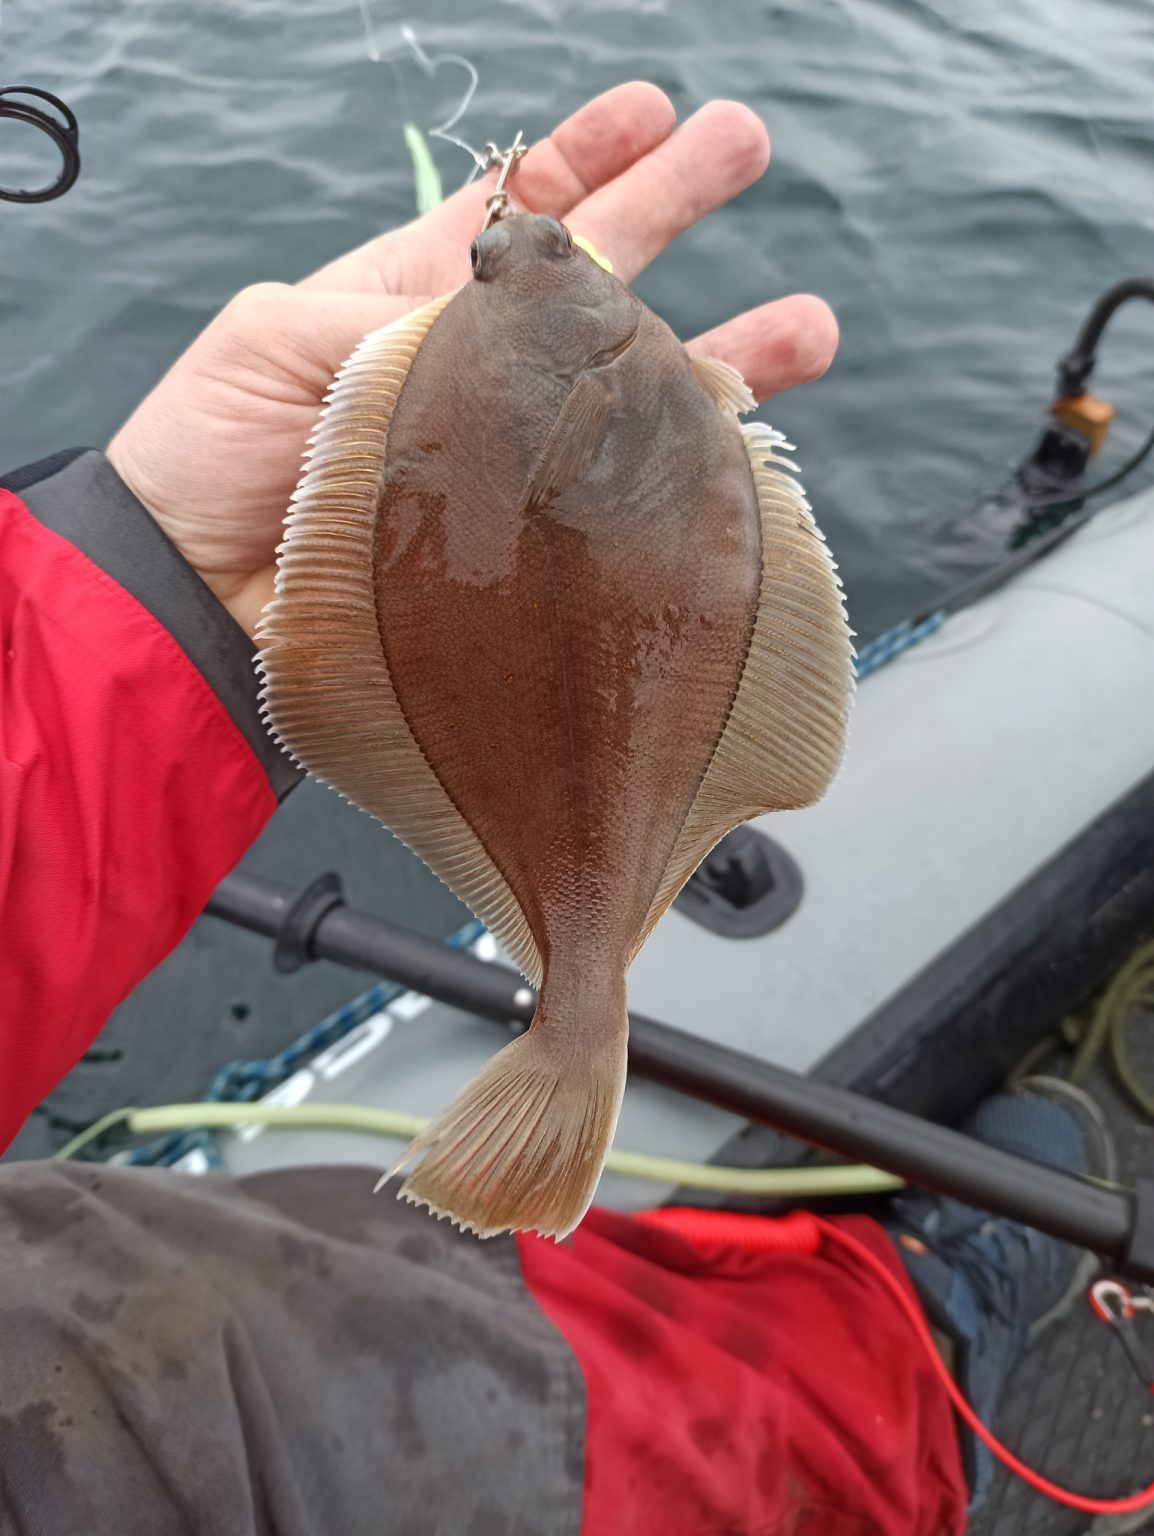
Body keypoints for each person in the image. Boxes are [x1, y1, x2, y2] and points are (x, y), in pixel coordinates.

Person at [0, 83, 1111, 1535]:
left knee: (337, 1298)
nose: (531, 261)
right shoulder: (559, 367)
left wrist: (138, 554)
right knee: (467, 1396)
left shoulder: (430, 373)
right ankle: (912, 1369)